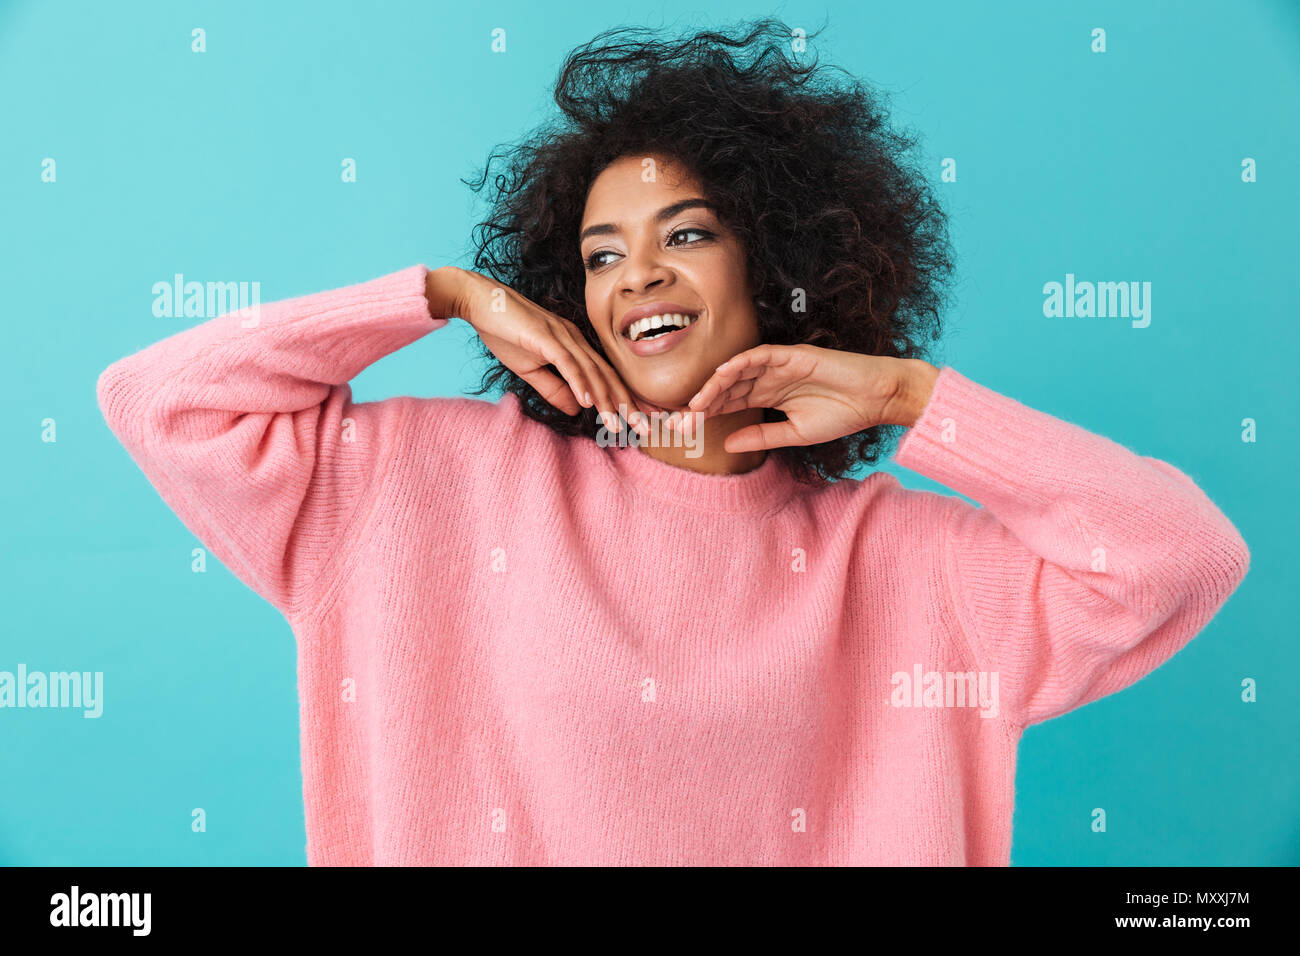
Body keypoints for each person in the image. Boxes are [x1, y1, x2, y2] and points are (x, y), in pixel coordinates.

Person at [96, 20, 1249, 865]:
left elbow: (1180, 553)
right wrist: (438, 294)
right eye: (600, 253)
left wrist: (910, 396)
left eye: (685, 233)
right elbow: (161, 402)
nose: (637, 273)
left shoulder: (912, 566)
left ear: (778, 259)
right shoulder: (422, 486)